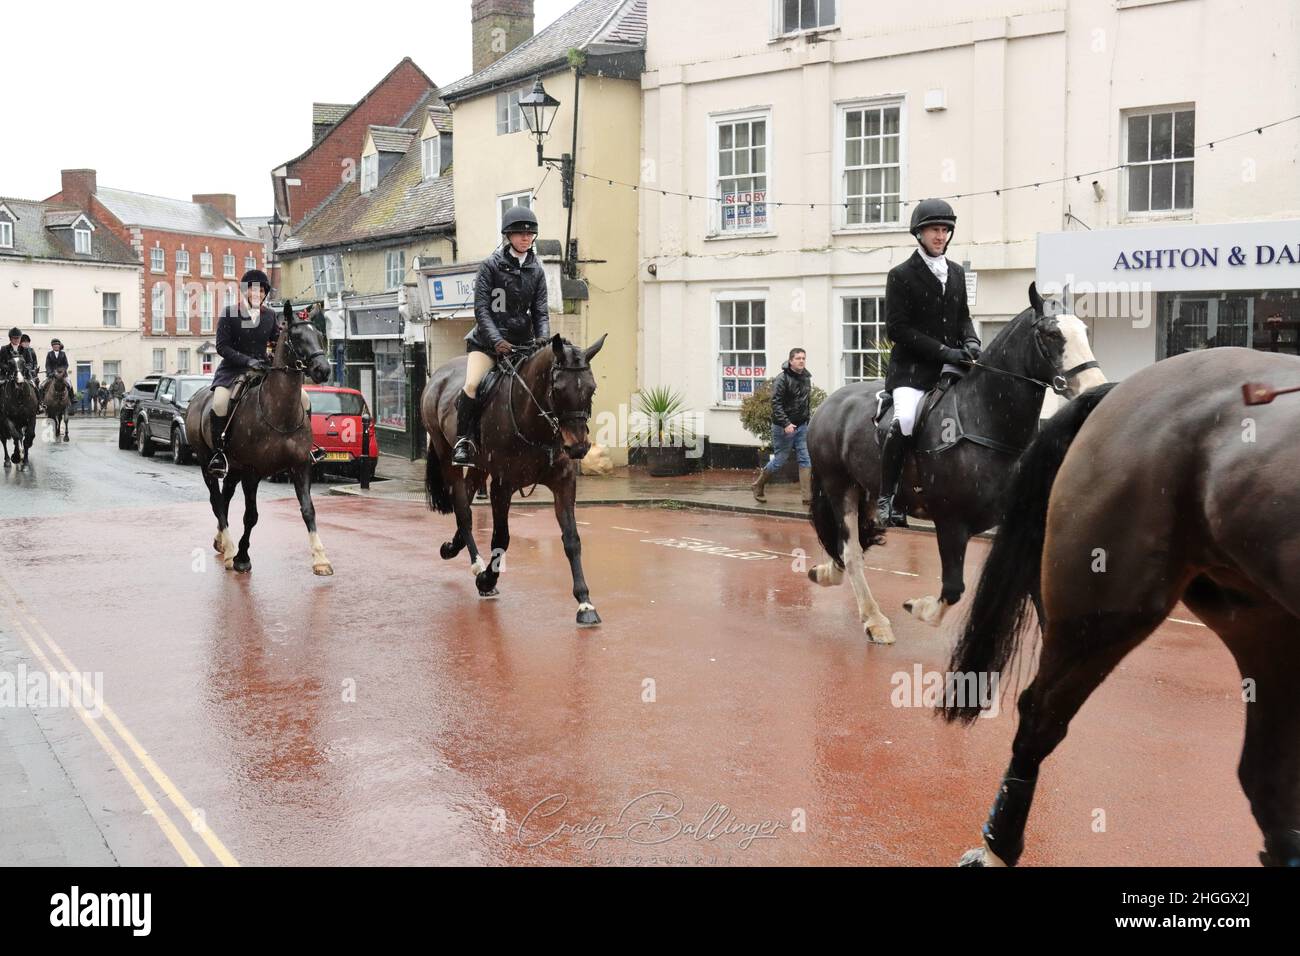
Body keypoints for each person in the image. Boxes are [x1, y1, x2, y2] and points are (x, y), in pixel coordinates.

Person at [878, 198, 982, 528]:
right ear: (920, 233)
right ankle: (888, 496)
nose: (940, 235)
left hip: (952, 367)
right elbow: (898, 329)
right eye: (934, 230)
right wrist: (942, 351)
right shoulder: (901, 275)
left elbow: (963, 317)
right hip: (913, 371)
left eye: (945, 230)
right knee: (906, 420)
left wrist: (971, 341)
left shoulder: (956, 272)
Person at [452, 204, 549, 466]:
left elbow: (540, 312)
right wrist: (497, 341)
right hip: (487, 344)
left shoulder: (537, 271)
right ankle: (464, 440)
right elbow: (482, 310)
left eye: (530, 234)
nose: (525, 238)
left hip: (522, 345)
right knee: (473, 384)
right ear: (508, 235)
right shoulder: (490, 267)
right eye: (519, 233)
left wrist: (542, 340)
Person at [207, 269, 299, 478]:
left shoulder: (269, 315)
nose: (258, 294)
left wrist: (291, 334)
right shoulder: (230, 313)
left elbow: (278, 340)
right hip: (232, 370)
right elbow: (222, 347)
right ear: (246, 292)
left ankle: (305, 447)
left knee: (302, 398)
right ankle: (218, 453)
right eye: (254, 290)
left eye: (262, 291)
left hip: (262, 369)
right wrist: (247, 360)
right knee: (220, 403)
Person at [751, 348, 814, 505]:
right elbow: (776, 403)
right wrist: (786, 423)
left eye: (803, 358)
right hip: (783, 427)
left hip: (801, 426)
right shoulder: (782, 379)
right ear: (791, 361)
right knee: (780, 459)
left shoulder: (806, 377)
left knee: (805, 459)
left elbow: (805, 402)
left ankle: (807, 498)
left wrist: (807, 419)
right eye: (798, 358)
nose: (801, 361)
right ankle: (758, 485)